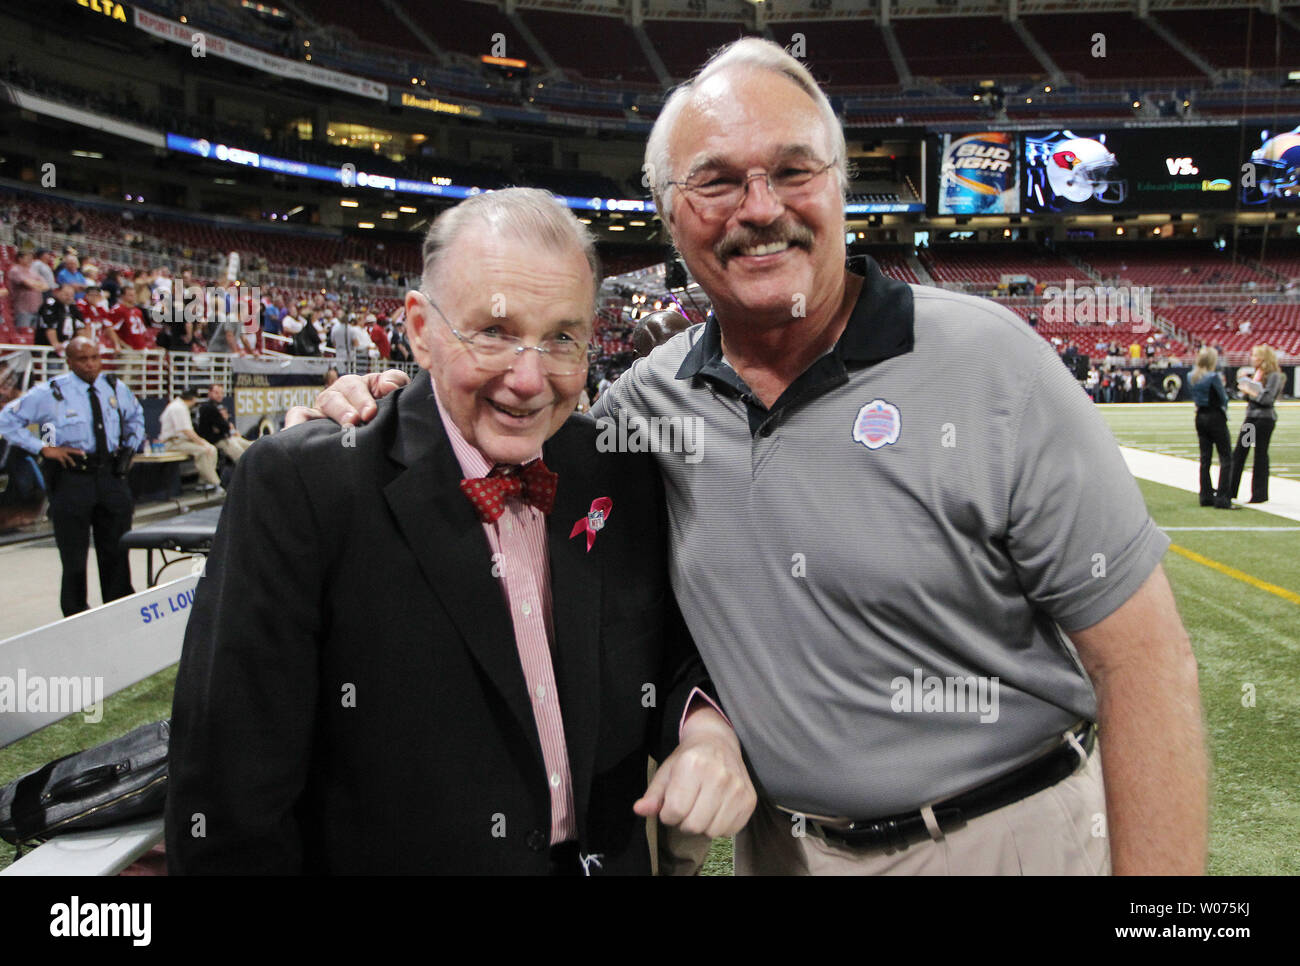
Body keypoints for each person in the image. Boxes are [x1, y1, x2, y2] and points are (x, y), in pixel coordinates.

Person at [306, 39, 1206, 876]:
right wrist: (386, 407)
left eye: (791, 171)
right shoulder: (644, 407)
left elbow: (1143, 663)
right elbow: (499, 436)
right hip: (784, 853)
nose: (761, 209)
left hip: (1011, 839)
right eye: (717, 181)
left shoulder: (991, 363)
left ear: (841, 184)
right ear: (669, 216)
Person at [166, 188, 753, 875]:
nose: (529, 379)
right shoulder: (304, 489)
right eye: (495, 333)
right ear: (420, 329)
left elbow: (674, 649)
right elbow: (233, 795)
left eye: (562, 337)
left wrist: (706, 729)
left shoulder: (616, 467)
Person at [0, 337, 144, 615]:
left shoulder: (114, 387)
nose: (90, 364)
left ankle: (120, 609)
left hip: (111, 475)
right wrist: (43, 448)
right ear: (69, 361)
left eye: (94, 357)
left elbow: (135, 416)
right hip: (71, 477)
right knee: (74, 555)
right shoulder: (51, 392)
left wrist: (131, 444)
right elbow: (6, 421)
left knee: (116, 549)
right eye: (83, 359)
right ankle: (76, 614)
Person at [1229, 343, 1285, 504]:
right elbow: (1249, 396)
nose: (1252, 358)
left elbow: (1267, 399)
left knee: (1260, 455)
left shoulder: (1274, 375)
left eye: (1255, 355)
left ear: (1263, 358)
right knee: (1240, 452)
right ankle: (1230, 490)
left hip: (1264, 420)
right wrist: (1246, 390)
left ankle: (1259, 494)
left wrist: (1252, 392)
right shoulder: (1256, 374)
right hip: (1251, 418)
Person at [1188, 347, 1233, 509]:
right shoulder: (1213, 376)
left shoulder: (1191, 376)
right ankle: (1222, 497)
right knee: (1226, 457)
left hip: (1200, 416)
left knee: (1205, 458)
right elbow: (1223, 398)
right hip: (1215, 417)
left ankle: (1205, 495)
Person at [159, 388, 222, 493]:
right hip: (171, 443)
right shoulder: (178, 408)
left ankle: (204, 482)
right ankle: (215, 483)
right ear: (193, 399)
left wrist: (204, 443)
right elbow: (186, 431)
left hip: (180, 442)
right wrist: (202, 443)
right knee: (203, 450)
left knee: (212, 449)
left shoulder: (180, 406)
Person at [196, 383, 252, 464]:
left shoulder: (218, 406)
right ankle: (246, 470)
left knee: (247, 445)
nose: (219, 395)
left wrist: (228, 428)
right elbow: (224, 426)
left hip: (223, 436)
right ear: (209, 393)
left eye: (221, 393)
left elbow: (224, 426)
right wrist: (227, 427)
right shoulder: (207, 407)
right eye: (216, 393)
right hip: (214, 440)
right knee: (239, 454)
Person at [38, 284, 84, 357]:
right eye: (66, 294)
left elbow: (80, 327)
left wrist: (81, 344)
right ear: (57, 292)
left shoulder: (73, 307)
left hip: (69, 348)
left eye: (71, 295)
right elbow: (50, 326)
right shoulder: (51, 305)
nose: (69, 297)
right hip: (50, 349)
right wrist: (55, 343)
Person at [7, 249, 48, 330]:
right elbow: (27, 283)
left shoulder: (33, 272)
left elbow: (46, 286)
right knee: (23, 332)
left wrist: (34, 284)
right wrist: (37, 284)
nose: (30, 260)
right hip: (23, 309)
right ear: (20, 258)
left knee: (34, 336)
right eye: (28, 258)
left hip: (36, 308)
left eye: (31, 258)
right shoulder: (15, 270)